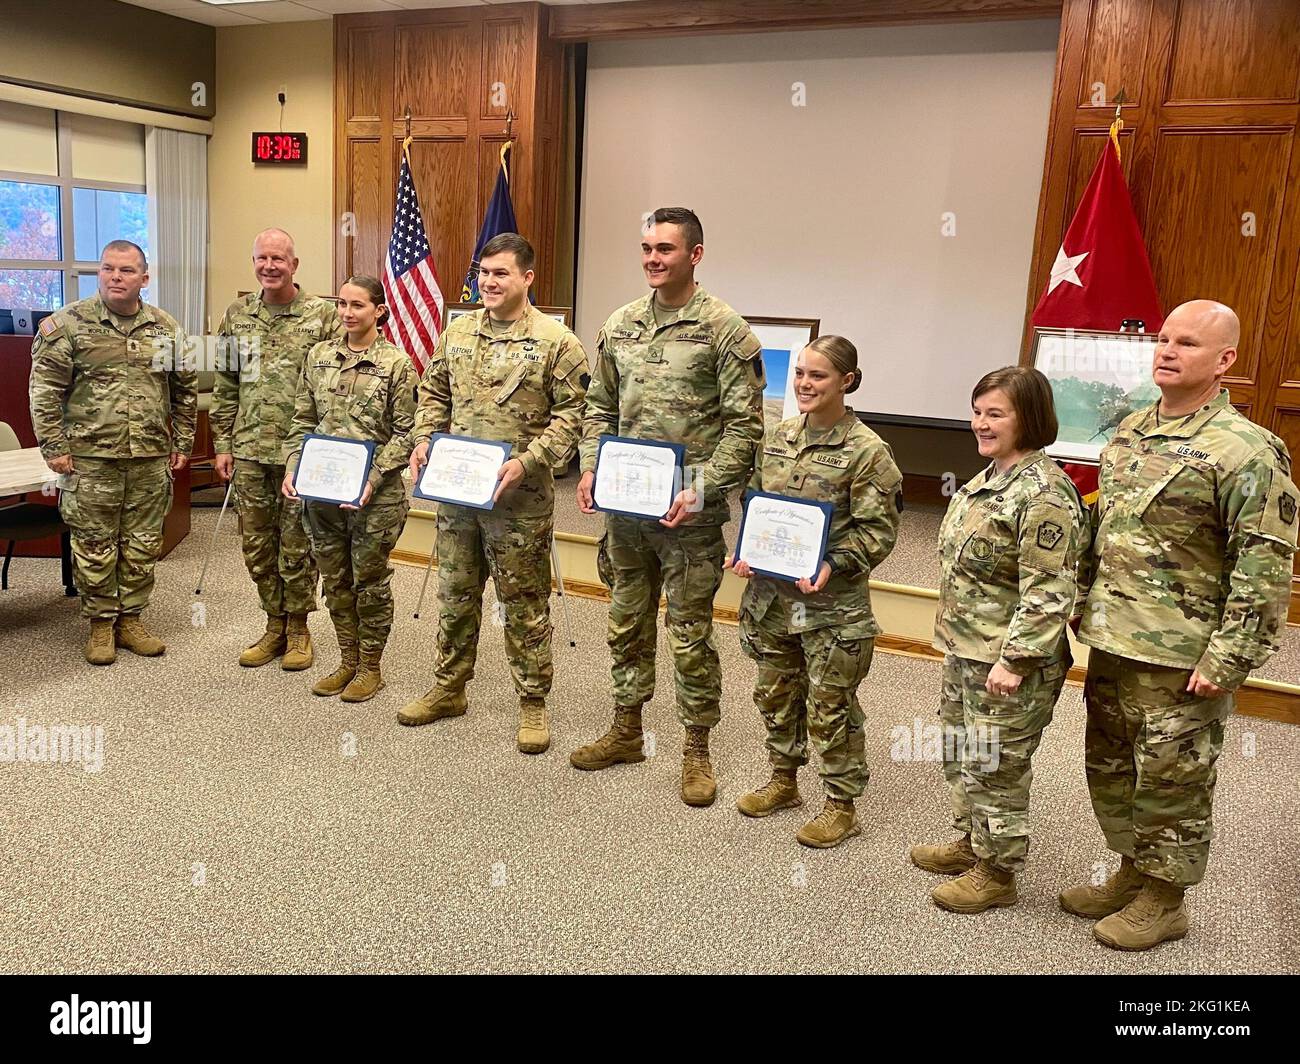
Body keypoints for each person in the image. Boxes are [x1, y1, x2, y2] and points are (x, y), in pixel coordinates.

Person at [1061, 299, 1298, 950]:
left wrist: (1229, 658)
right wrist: (1081, 599)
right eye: (1163, 339)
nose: (1167, 350)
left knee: (1174, 777)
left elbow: (1264, 564)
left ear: (1224, 361)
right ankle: (1133, 872)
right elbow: (1100, 527)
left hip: (1184, 653)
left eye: (1187, 343)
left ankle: (1165, 900)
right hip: (1115, 637)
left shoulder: (1248, 449)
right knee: (1112, 766)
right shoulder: (1132, 430)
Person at [572, 207, 765, 807]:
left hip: (690, 515)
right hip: (626, 511)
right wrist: (590, 464)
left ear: (695, 255)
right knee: (626, 621)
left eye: (666, 250)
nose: (653, 259)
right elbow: (598, 405)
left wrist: (702, 488)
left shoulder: (726, 331)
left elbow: (745, 428)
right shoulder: (620, 324)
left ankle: (696, 749)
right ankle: (627, 729)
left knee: (689, 632)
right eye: (647, 249)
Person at [400, 233, 589, 754]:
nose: (488, 282)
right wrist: (422, 439)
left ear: (528, 278)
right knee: (455, 596)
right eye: (483, 272)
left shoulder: (557, 342)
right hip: (458, 496)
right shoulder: (456, 333)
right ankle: (449, 687)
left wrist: (527, 461)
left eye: (500, 273)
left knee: (523, 604)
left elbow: (575, 416)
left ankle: (532, 702)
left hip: (519, 502)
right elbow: (433, 392)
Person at [910, 367, 1086, 911]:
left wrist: (1015, 659)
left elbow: (1050, 590)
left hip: (1008, 662)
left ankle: (998, 871)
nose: (981, 424)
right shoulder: (989, 479)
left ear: (1027, 419)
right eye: (978, 411)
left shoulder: (1044, 494)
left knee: (996, 765)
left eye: (996, 414)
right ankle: (972, 841)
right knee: (963, 751)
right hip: (967, 650)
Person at [726, 336, 902, 846]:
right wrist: (747, 551)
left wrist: (835, 562)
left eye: (818, 376)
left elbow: (878, 532)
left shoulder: (868, 452)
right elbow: (757, 504)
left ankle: (840, 804)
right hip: (772, 599)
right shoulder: (777, 437)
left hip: (831, 605)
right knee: (776, 694)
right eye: (800, 373)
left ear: (846, 381)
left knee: (831, 704)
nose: (804, 383)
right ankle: (783, 781)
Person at [28, 240, 196, 664]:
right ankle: (101, 624)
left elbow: (184, 389)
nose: (115, 277)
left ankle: (132, 619)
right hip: (89, 459)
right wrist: (54, 448)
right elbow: (45, 391)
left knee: (141, 542)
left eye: (126, 270)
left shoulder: (165, 328)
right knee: (94, 542)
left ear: (145, 277)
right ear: (98, 273)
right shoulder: (68, 325)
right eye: (108, 269)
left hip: (150, 457)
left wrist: (183, 442)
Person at [281, 276, 417, 702]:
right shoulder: (318, 356)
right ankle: (347, 659)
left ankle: (370, 667)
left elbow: (406, 432)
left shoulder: (397, 364)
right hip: (322, 492)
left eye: (358, 305)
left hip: (374, 497)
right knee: (336, 578)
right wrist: (293, 467)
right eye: (342, 303)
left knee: (370, 581)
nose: (347, 312)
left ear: (379, 310)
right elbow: (302, 420)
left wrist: (373, 478)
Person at [212, 228, 342, 671]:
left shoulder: (323, 317)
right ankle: (274, 624)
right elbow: (227, 384)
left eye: (278, 259)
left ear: (294, 265)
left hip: (300, 453)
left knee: (299, 543)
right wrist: (222, 443)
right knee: (257, 545)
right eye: (262, 259)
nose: (269, 266)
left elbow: (336, 387)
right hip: (249, 449)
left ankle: (300, 628)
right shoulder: (238, 314)